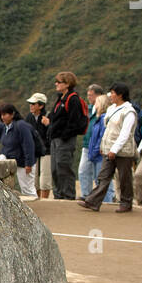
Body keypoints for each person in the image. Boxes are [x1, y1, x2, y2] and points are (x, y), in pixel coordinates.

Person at [78, 83, 138, 212]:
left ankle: (126, 202)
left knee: (124, 178)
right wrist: (103, 146)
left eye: (113, 93)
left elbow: (125, 134)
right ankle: (93, 201)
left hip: (123, 151)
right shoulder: (111, 109)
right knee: (104, 176)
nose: (110, 96)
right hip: (108, 149)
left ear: (120, 95)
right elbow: (107, 130)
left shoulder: (129, 112)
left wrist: (114, 149)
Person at [42, 71, 87, 201]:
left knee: (64, 167)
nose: (56, 84)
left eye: (59, 82)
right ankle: (58, 195)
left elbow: (74, 121)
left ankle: (68, 195)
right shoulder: (60, 98)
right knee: (55, 169)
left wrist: (64, 134)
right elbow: (57, 118)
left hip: (65, 139)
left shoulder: (73, 99)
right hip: (56, 139)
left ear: (67, 84)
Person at [86, 93, 116, 203]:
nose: (95, 104)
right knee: (98, 179)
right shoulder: (99, 118)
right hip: (95, 154)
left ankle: (107, 202)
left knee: (102, 180)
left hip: (99, 155)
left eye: (97, 102)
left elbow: (101, 138)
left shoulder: (103, 119)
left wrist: (94, 152)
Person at [78, 84, 104, 199]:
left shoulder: (104, 111)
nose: (89, 98)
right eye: (88, 95)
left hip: (99, 147)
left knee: (99, 175)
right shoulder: (88, 109)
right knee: (83, 171)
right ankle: (86, 195)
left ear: (99, 96)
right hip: (87, 144)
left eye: (91, 95)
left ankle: (105, 197)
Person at [25, 93, 51, 198]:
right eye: (30, 103)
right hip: (34, 152)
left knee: (45, 179)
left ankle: (44, 201)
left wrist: (48, 125)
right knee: (34, 180)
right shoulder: (29, 118)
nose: (31, 106)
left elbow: (52, 133)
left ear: (41, 106)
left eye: (33, 104)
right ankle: (37, 199)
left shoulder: (48, 116)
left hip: (47, 151)